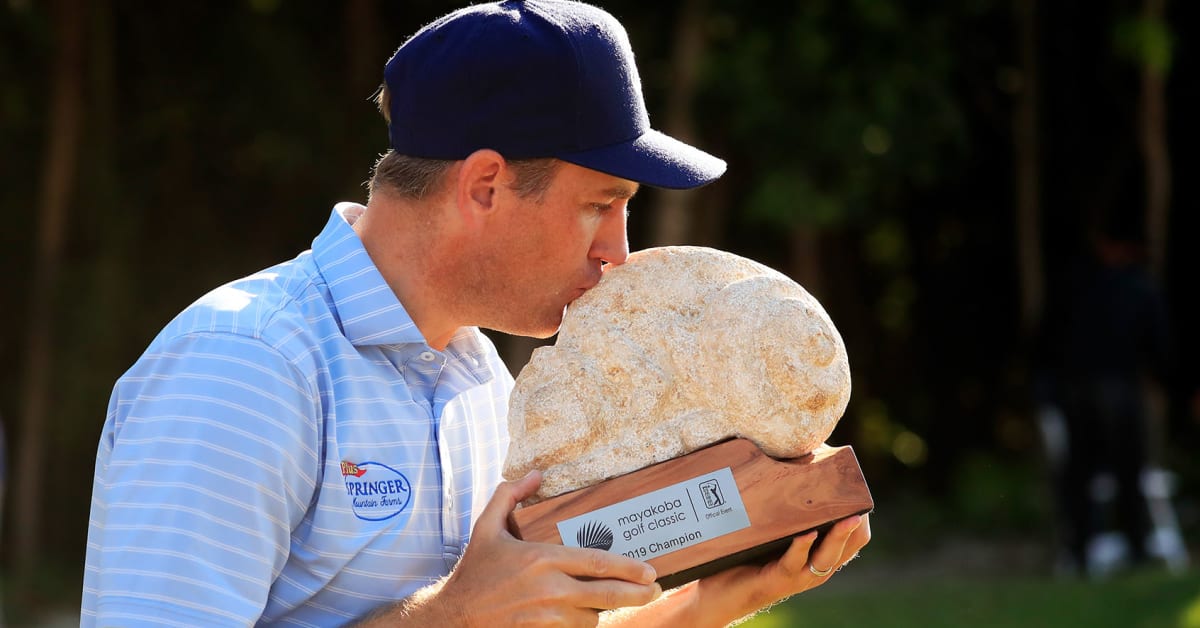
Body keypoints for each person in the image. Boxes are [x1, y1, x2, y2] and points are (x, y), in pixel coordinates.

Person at [82, 1, 870, 625]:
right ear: (485, 185)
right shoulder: (243, 366)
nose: (617, 254)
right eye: (601, 205)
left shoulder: (477, 374)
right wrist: (455, 615)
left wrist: (722, 597)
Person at [1035, 218, 1172, 577]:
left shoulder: (1072, 284)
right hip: (1113, 395)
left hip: (1077, 395)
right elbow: (1158, 346)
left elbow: (1042, 344)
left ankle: (1084, 551)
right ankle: (1130, 548)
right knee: (1125, 474)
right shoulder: (1136, 285)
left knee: (1083, 477)